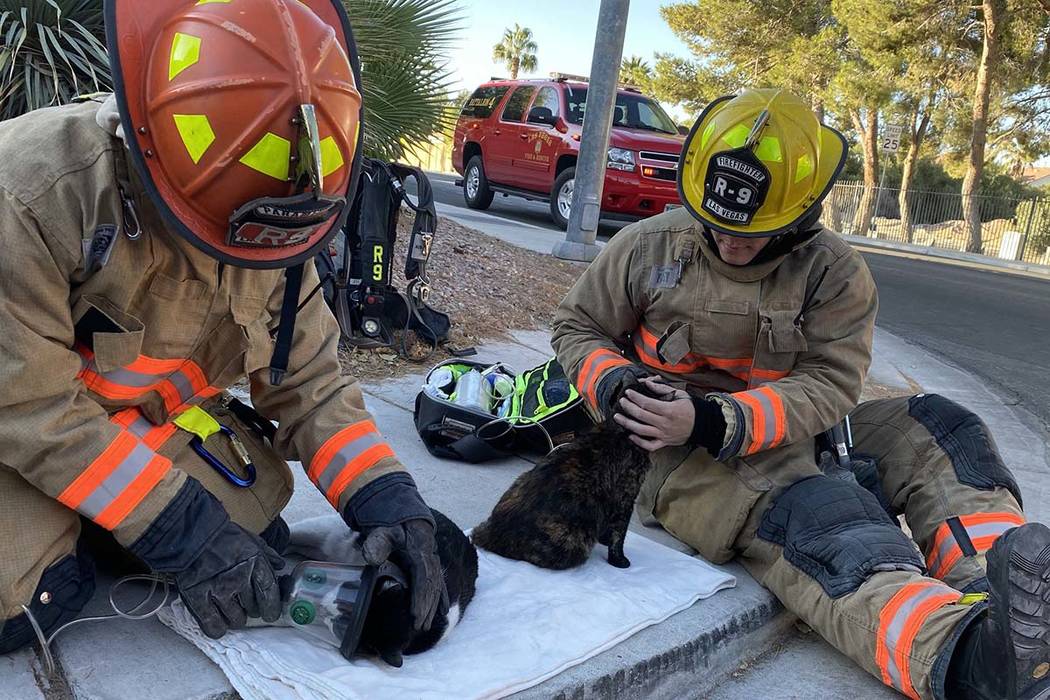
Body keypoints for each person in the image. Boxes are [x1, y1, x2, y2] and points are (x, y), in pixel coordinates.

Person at [552, 88, 1050, 700]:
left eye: (751, 233)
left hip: (785, 430)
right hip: (680, 455)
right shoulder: (650, 246)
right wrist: (615, 382)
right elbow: (577, 327)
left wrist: (718, 416)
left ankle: (1005, 598)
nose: (728, 242)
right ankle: (967, 655)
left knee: (942, 431)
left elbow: (833, 382)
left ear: (800, 217)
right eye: (715, 224)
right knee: (823, 518)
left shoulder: (834, 272)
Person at [0, 0, 444, 654]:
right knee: (33, 604)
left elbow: (310, 382)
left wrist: (387, 500)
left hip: (126, 418)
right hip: (18, 410)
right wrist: (178, 531)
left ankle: (101, 516)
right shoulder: (33, 194)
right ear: (146, 160)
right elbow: (29, 403)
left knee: (258, 546)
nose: (247, 265)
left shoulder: (280, 201)